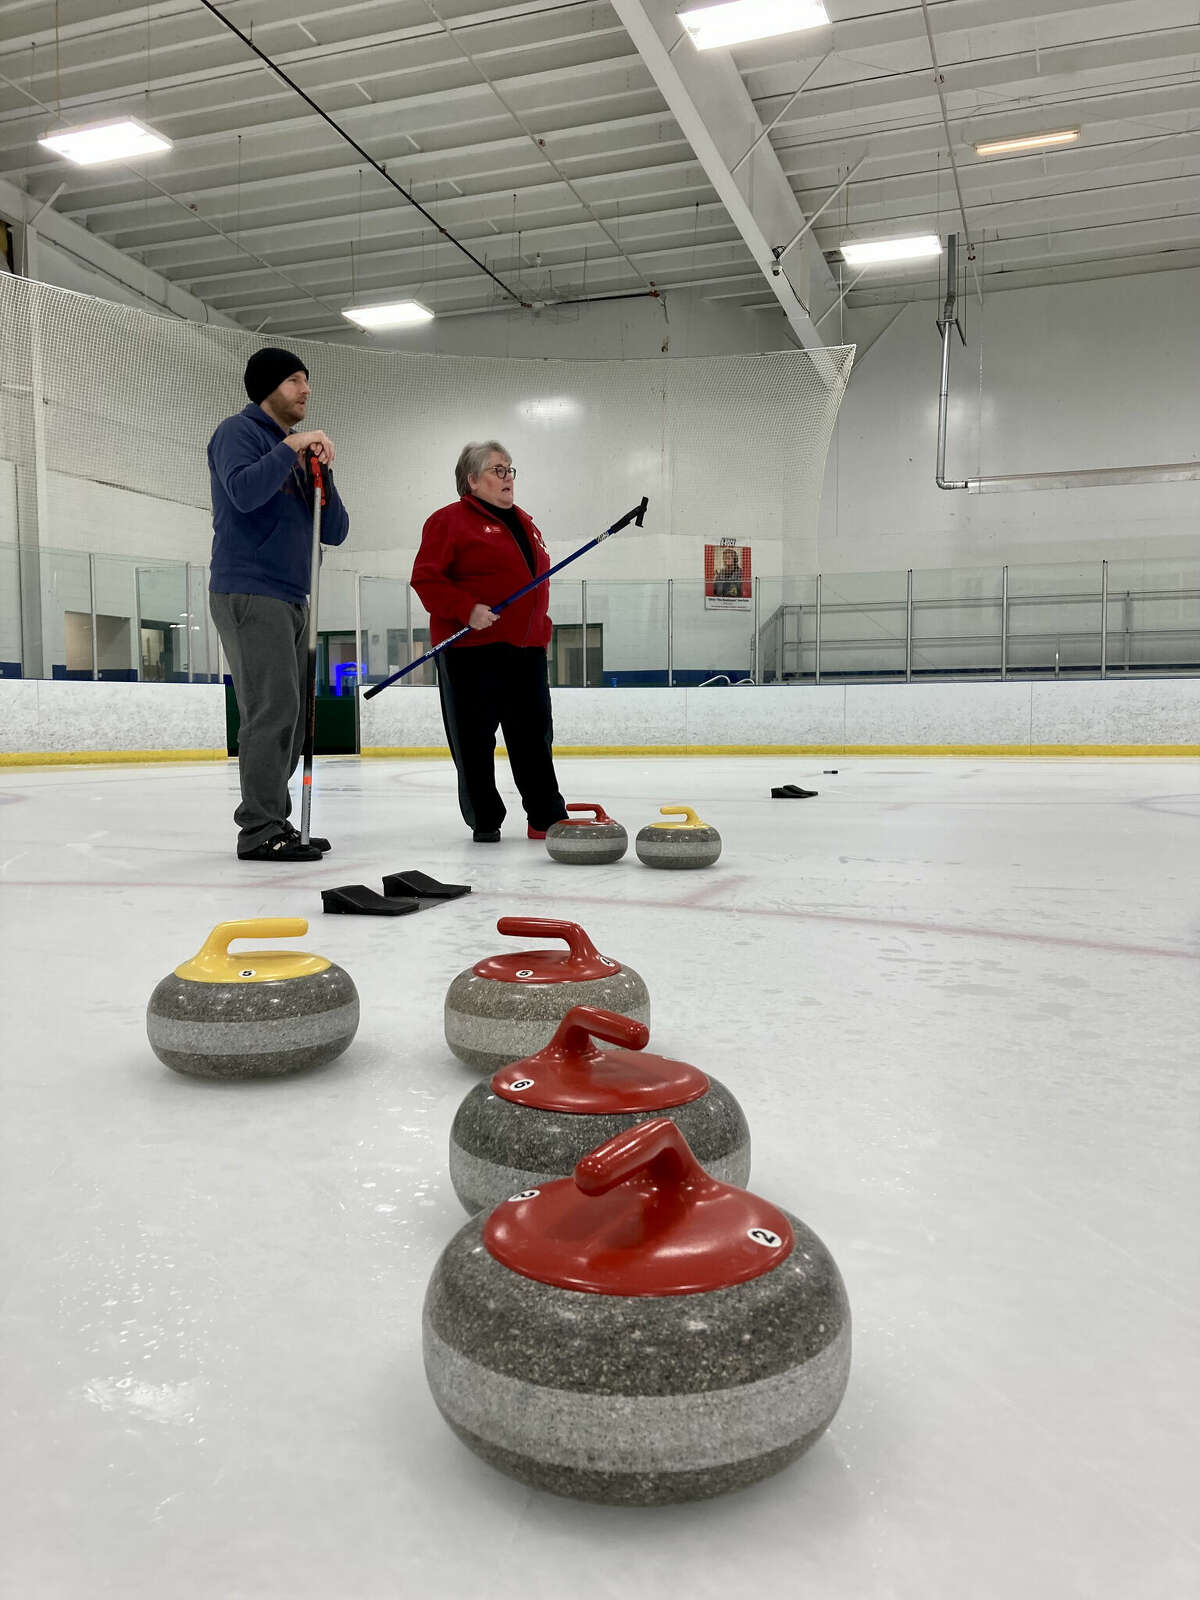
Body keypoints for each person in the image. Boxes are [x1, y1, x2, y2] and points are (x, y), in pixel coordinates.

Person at [208, 347, 350, 861]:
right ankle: (260, 828)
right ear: (268, 387)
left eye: (306, 380)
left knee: (290, 714)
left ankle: (275, 820)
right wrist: (291, 448)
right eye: (294, 380)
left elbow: (334, 530)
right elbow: (243, 492)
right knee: (271, 710)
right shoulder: (237, 434)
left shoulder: (294, 451)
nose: (305, 389)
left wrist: (322, 475)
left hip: (292, 593)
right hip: (250, 588)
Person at [411, 441, 567, 842]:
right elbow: (427, 579)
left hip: (526, 650)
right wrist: (467, 610)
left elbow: (536, 587)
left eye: (510, 469)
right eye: (498, 470)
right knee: (474, 740)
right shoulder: (449, 520)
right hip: (471, 650)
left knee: (533, 736)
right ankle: (485, 818)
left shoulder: (527, 523)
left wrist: (541, 632)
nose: (508, 477)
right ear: (472, 479)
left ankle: (546, 816)